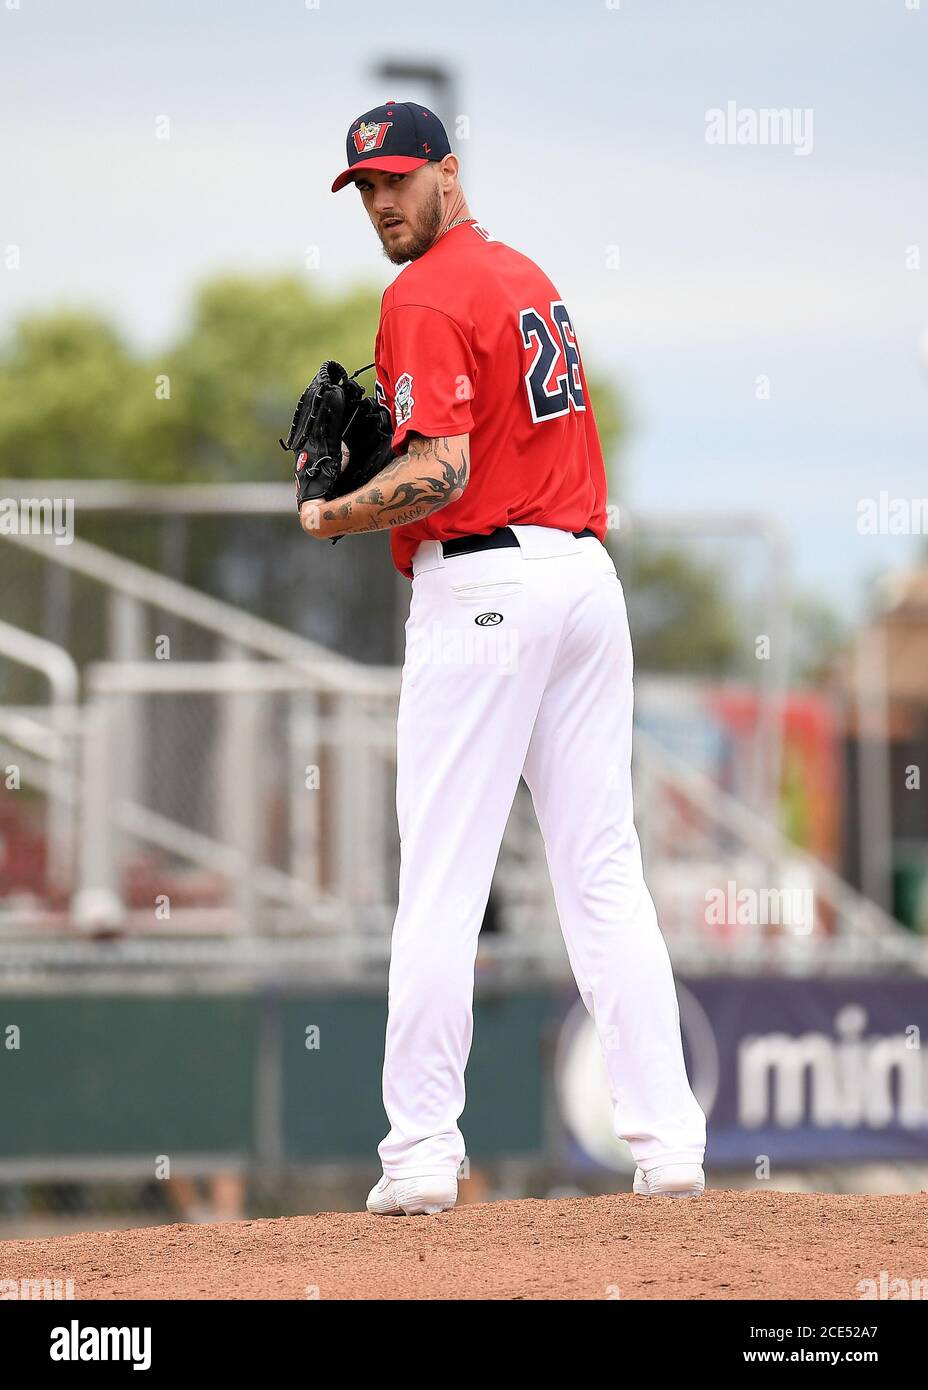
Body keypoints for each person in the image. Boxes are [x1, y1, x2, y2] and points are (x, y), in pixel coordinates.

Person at [303, 101, 707, 1213]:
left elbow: (435, 471)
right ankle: (668, 1141)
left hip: (484, 583)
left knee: (441, 871)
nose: (382, 203)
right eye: (365, 189)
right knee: (600, 867)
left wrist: (332, 514)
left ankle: (421, 1154)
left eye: (396, 179)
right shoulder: (527, 276)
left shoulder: (422, 292)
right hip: (582, 576)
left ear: (448, 171)